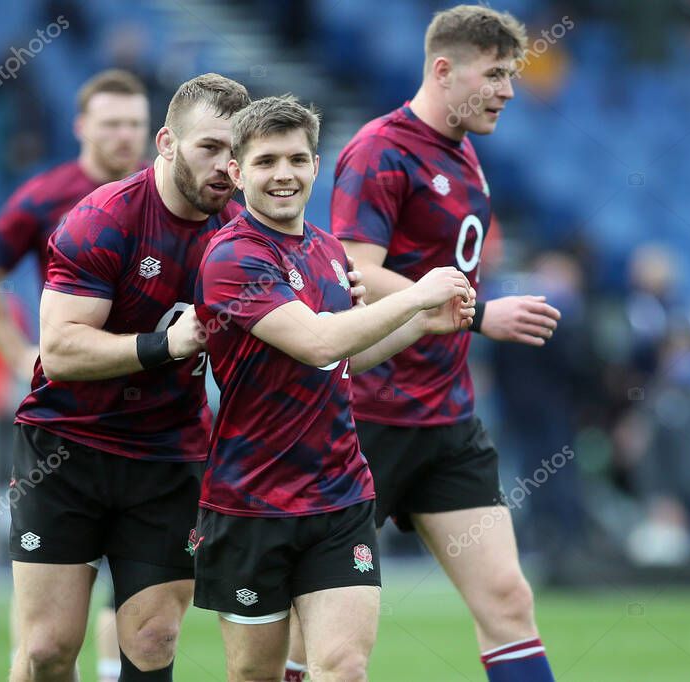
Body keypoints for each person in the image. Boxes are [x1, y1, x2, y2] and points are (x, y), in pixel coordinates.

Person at [316, 6, 562, 681]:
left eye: (510, 75)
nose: (508, 91)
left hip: (445, 419)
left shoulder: (466, 152)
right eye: (494, 74)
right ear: (443, 69)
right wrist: (478, 313)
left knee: (508, 600)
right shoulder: (379, 149)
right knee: (332, 645)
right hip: (364, 419)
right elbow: (354, 268)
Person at [193, 95, 475, 682]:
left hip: (339, 491)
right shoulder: (233, 256)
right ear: (238, 173)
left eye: (297, 159)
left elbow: (343, 358)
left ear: (316, 167)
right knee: (255, 676)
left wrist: (422, 323)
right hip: (251, 500)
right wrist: (415, 295)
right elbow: (318, 342)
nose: (284, 175)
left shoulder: (327, 250)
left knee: (343, 667)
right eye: (267, 161)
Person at [7, 73, 250, 682]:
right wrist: (162, 346)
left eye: (236, 152)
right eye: (210, 148)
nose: (226, 166)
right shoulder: (104, 217)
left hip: (168, 455)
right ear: (166, 143)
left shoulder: (243, 235)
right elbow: (60, 351)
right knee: (46, 650)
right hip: (66, 449)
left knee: (152, 637)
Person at [0, 68, 150, 682]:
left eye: (136, 124)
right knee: (42, 638)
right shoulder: (47, 195)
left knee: (141, 610)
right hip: (66, 414)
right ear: (81, 126)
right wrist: (18, 353)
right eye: (112, 123)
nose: (124, 136)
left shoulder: (170, 194)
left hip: (153, 419)